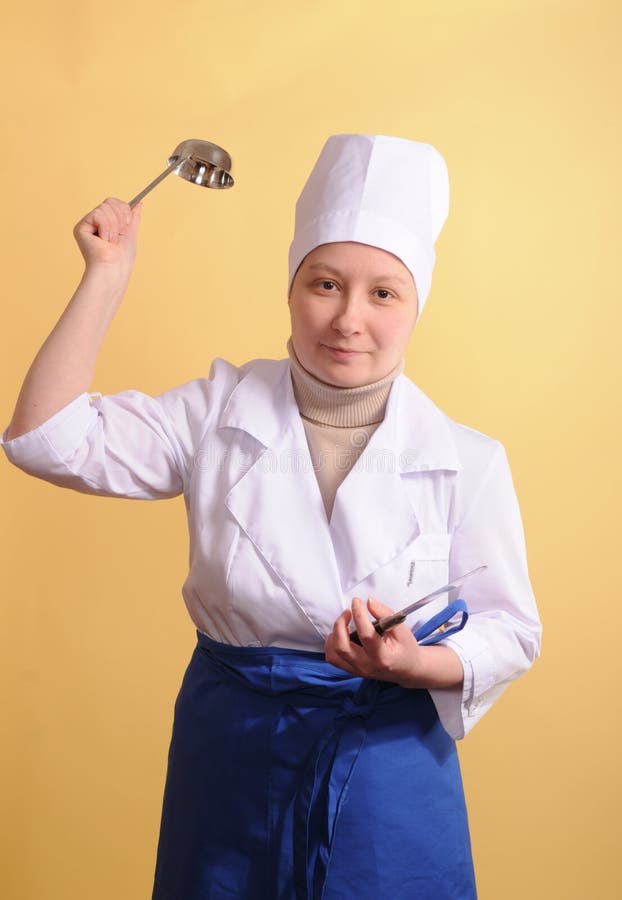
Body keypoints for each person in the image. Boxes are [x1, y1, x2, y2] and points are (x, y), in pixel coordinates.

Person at [1, 134, 542, 899]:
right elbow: (42, 439)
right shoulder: (212, 413)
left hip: (389, 768)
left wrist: (411, 664)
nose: (349, 318)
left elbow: (510, 630)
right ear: (291, 287)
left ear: (417, 304)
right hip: (233, 757)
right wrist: (105, 279)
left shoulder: (468, 459)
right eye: (325, 283)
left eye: (383, 292)